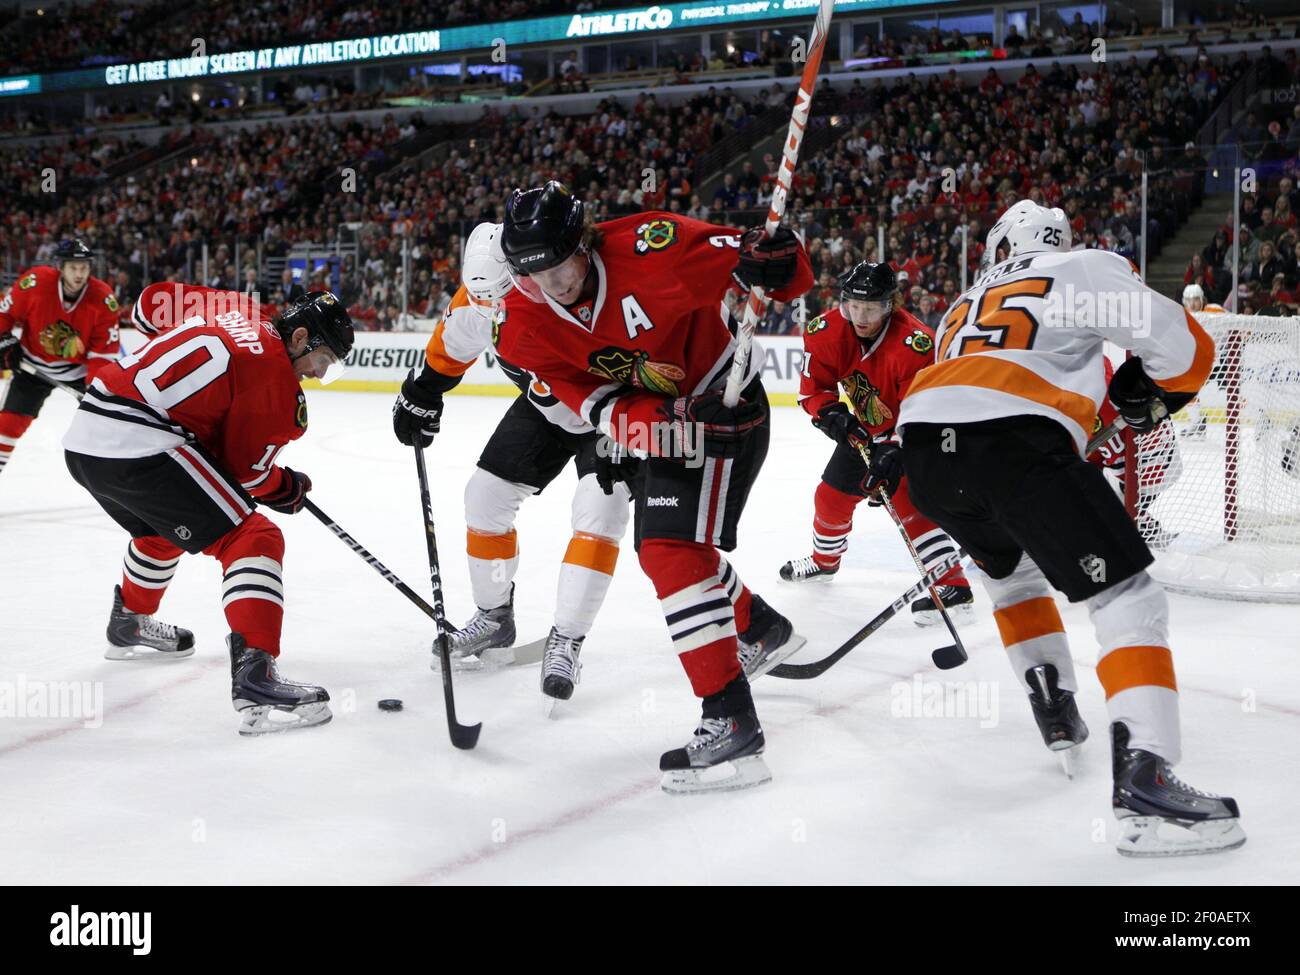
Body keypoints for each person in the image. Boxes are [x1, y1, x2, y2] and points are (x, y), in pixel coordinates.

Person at [897, 199, 1244, 856]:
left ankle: (1051, 699)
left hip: (928, 458)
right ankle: (1146, 776)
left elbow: (966, 387)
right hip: (1014, 443)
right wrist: (1150, 388)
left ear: (1002, 244)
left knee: (1011, 572)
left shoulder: (961, 303)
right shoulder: (1083, 267)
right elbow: (1187, 348)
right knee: (1128, 597)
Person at [494, 181, 812, 793]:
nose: (552, 285)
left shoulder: (651, 245)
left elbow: (786, 277)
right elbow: (592, 398)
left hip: (724, 405)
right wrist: (644, 429)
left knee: (671, 551)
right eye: (534, 274)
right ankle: (763, 630)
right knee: (668, 552)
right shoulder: (524, 325)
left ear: (583, 242)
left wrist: (775, 258)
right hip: (671, 425)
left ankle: (730, 720)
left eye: (560, 265)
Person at [61, 286, 353, 736]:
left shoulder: (237, 308)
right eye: (325, 360)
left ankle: (130, 621)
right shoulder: (275, 381)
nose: (318, 373)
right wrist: (288, 488)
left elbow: (147, 306)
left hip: (85, 437)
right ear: (298, 338)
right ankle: (257, 675)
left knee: (163, 530)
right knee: (253, 537)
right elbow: (246, 474)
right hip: (140, 444)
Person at [392, 222, 631, 710]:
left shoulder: (569, 287)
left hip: (608, 413)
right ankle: (494, 616)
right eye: (485, 299)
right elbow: (449, 350)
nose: (496, 309)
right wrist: (421, 395)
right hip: (545, 408)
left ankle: (567, 639)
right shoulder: (479, 299)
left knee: (600, 509)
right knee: (484, 498)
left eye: (505, 294)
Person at [781, 261, 973, 625]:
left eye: (871, 307)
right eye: (853, 305)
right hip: (867, 432)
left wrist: (896, 448)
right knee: (830, 498)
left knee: (905, 504)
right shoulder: (824, 332)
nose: (861, 315)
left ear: (891, 305)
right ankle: (825, 562)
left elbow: (927, 411)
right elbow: (813, 391)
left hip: (916, 434)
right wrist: (834, 416)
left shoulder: (915, 344)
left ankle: (953, 587)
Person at [0, 239, 120, 478]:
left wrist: (95, 389)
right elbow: (6, 314)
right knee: (8, 427)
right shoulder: (35, 283)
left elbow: (102, 356)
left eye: (84, 267)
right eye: (73, 267)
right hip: (31, 365)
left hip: (78, 373)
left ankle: (122, 482)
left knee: (107, 429)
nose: (79, 274)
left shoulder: (103, 299)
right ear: (61, 267)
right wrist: (3, 340)